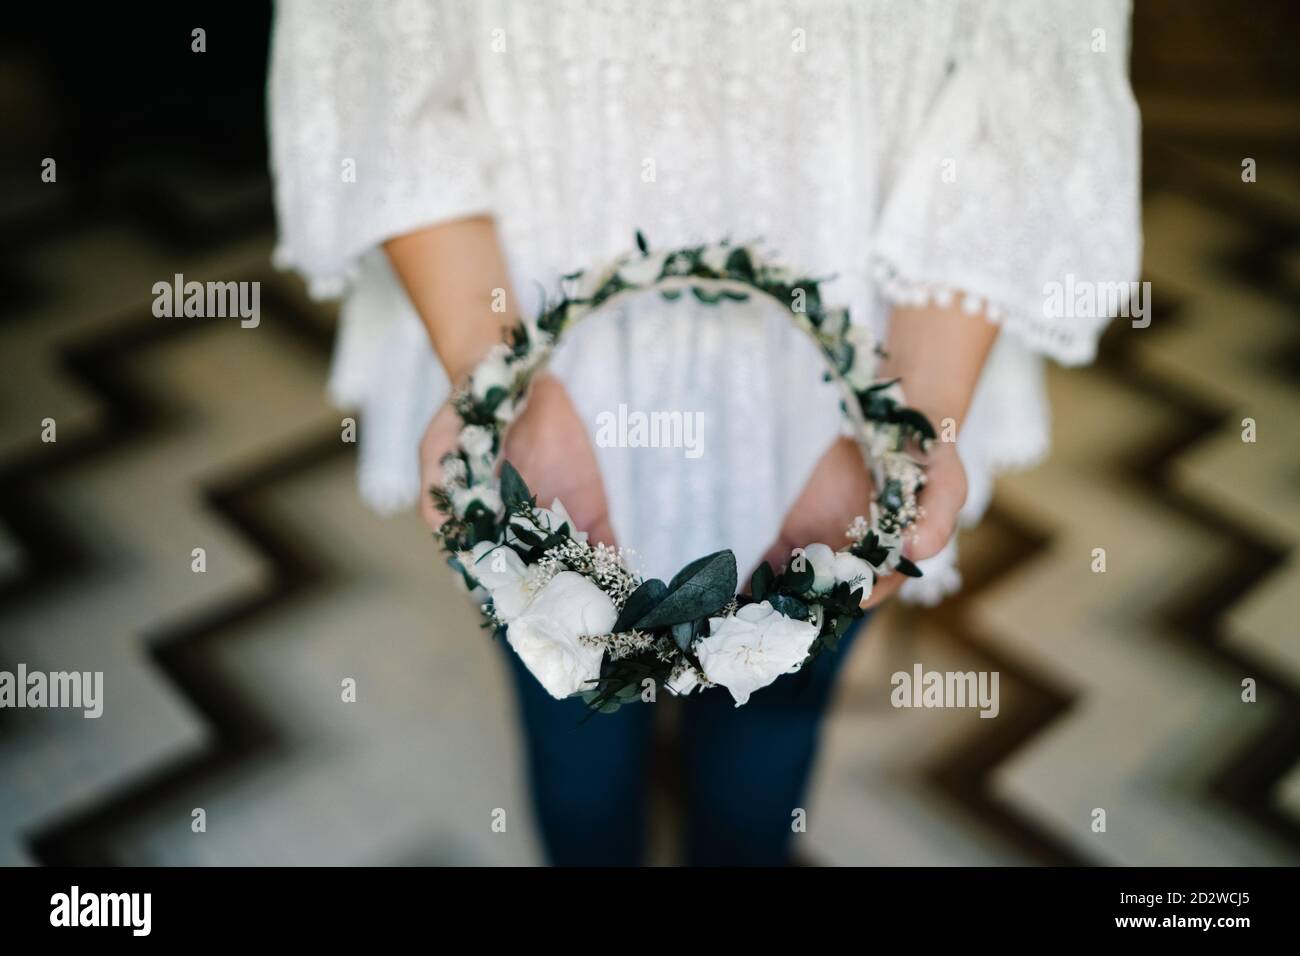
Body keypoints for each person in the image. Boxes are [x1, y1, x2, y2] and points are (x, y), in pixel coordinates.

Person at [268, 0, 1140, 865]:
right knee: (569, 708)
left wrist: (902, 417)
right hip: (515, 320)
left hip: (864, 363)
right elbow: (369, 44)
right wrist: (492, 375)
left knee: (781, 706)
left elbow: (1037, 75)